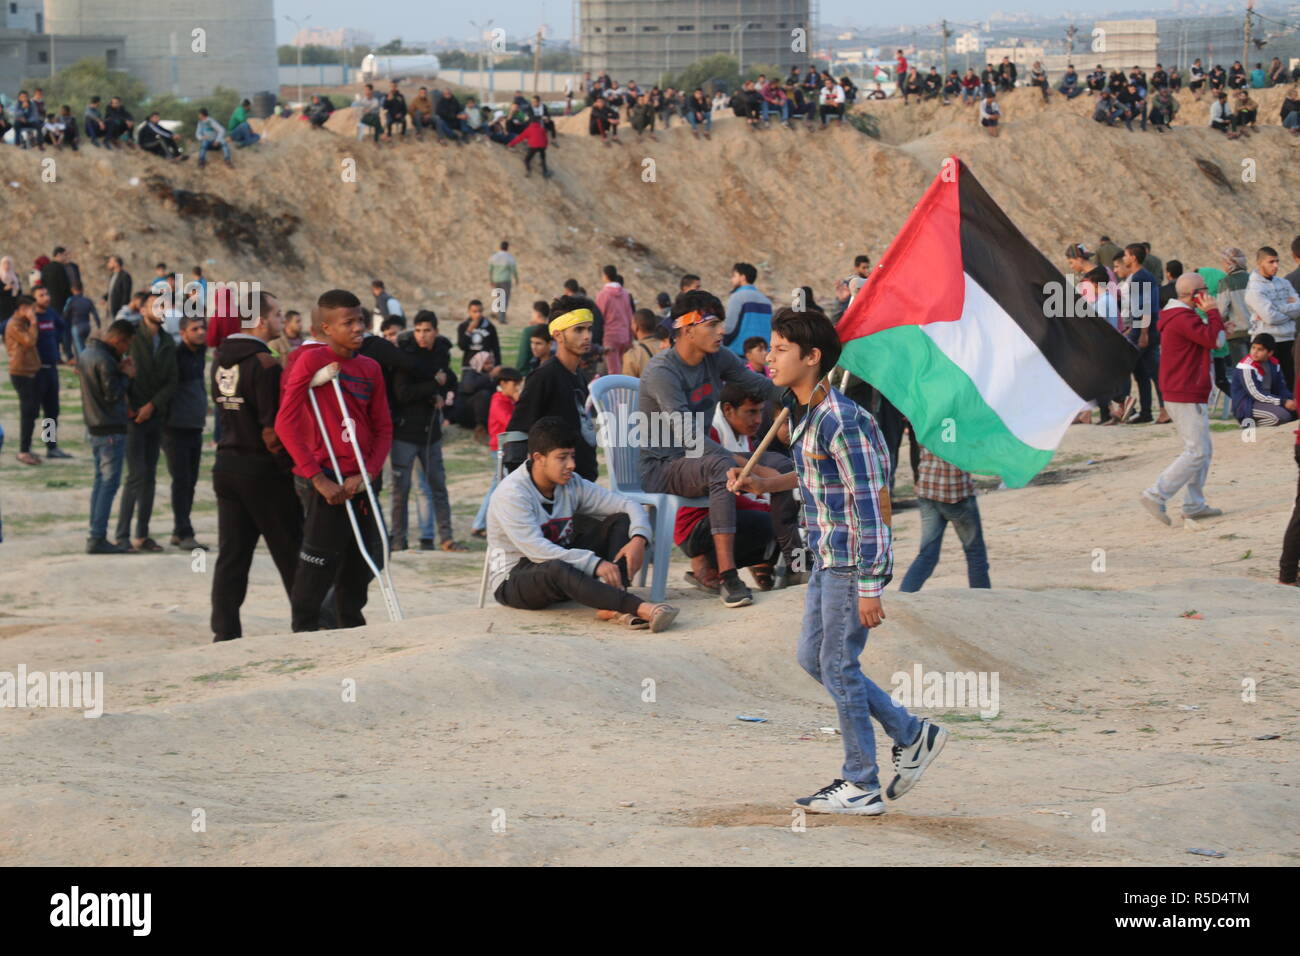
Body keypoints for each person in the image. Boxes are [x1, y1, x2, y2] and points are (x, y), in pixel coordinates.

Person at [728, 310, 946, 814]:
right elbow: (815, 477)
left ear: (813, 357)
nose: (770, 358)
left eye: (782, 350)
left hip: (851, 563)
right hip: (827, 557)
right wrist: (764, 484)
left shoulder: (843, 420)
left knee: (837, 663)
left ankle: (861, 782)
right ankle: (911, 734)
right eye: (772, 348)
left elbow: (871, 505)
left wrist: (871, 584)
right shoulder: (809, 414)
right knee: (814, 658)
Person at [639, 291, 797, 608]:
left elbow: (761, 387)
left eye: (720, 324)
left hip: (699, 459)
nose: (721, 332)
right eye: (712, 325)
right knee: (721, 466)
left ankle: (793, 564)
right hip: (663, 467)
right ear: (686, 329)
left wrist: (801, 388)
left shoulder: (717, 357)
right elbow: (688, 436)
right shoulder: (662, 371)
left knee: (780, 467)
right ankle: (728, 577)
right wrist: (749, 467)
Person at [487, 416, 678, 632]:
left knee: (620, 520)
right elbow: (538, 551)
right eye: (562, 458)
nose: (571, 465)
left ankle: (614, 599)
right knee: (556, 567)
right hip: (514, 579)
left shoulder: (572, 483)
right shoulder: (512, 494)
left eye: (572, 456)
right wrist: (595, 563)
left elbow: (627, 504)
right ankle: (638, 607)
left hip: (559, 564)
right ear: (539, 458)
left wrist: (639, 538)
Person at [275, 290, 392, 632]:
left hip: (361, 476)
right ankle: (305, 630)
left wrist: (369, 473)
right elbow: (285, 421)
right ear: (326, 328)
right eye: (349, 322)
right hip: (328, 477)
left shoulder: (370, 367)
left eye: (361, 320)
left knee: (368, 556)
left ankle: (349, 623)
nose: (359, 328)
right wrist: (317, 478)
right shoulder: (309, 361)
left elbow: (384, 426)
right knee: (318, 563)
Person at [210, 291, 302, 641]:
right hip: (261, 469)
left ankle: (225, 630)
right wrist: (288, 468)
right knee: (290, 549)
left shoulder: (219, 360)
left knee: (232, 555)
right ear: (261, 321)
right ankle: (309, 622)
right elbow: (271, 428)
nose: (282, 320)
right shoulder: (264, 364)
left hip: (226, 464)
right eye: (278, 314)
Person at [673, 384, 785, 592]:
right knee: (769, 523)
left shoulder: (744, 438)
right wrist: (768, 508)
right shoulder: (710, 436)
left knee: (783, 518)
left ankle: (765, 568)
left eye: (760, 411)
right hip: (696, 524)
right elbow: (725, 492)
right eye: (751, 412)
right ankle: (707, 565)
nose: (758, 420)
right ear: (727, 410)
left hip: (731, 516)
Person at [1140, 274, 1228, 525]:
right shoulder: (1181, 318)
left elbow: (1207, 339)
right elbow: (1216, 340)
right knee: (1197, 451)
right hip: (1185, 391)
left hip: (1184, 390)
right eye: (1205, 290)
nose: (1209, 295)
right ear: (1194, 294)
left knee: (1202, 450)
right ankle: (1156, 494)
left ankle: (1193, 504)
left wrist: (1215, 323)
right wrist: (1213, 314)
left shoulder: (1180, 316)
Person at [503, 296, 599, 480]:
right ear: (558, 335)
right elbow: (517, 434)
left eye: (589, 329)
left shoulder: (578, 377)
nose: (587, 336)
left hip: (581, 487)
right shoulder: (544, 377)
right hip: (554, 493)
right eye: (578, 330)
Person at [391, 311, 463, 552]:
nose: (422, 335)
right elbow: (402, 393)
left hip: (431, 432)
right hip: (404, 433)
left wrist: (439, 393)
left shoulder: (441, 352)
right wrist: (434, 385)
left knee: (438, 487)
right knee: (401, 492)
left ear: (436, 331)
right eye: (418, 330)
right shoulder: (404, 354)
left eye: (427, 330)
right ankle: (398, 541)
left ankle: (446, 538)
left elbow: (450, 379)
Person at [115, 291, 177, 551]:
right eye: (155, 305)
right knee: (136, 476)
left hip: (155, 416)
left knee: (150, 475)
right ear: (143, 310)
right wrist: (132, 406)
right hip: (131, 417)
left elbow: (172, 381)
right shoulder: (130, 338)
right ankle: (122, 535)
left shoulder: (167, 342)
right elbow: (117, 372)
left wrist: (152, 406)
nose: (161, 309)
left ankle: (142, 534)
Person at [79, 319, 137, 553]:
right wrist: (127, 375)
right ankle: (97, 536)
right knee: (108, 483)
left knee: (99, 482)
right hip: (109, 428)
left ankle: (95, 532)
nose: (126, 350)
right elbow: (113, 394)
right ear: (118, 339)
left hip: (94, 426)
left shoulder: (87, 353)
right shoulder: (104, 360)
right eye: (127, 345)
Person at [899, 445, 990, 592]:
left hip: (927, 489)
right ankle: (984, 599)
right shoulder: (962, 423)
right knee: (975, 553)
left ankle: (904, 594)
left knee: (927, 555)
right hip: (956, 493)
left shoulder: (927, 421)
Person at [164, 315, 208, 550]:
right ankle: (184, 531)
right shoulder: (175, 356)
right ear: (183, 333)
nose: (201, 332)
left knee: (190, 482)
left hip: (194, 426)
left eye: (203, 328)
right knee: (181, 481)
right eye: (195, 329)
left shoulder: (199, 354)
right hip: (174, 428)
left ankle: (179, 529)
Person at [470, 366, 524, 538]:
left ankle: (483, 523)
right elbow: (511, 422)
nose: (516, 388)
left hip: (508, 449)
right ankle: (480, 524)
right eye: (514, 385)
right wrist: (519, 401)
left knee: (499, 486)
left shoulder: (509, 400)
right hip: (500, 450)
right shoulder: (498, 401)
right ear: (503, 383)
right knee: (497, 488)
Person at [1245, 246, 1300, 392]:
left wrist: (1278, 306)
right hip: (1267, 341)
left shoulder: (1284, 283)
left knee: (1291, 382)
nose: (1275, 265)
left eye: (1277, 261)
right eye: (1271, 262)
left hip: (1288, 339)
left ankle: (1291, 413)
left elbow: (1299, 307)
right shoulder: (1254, 289)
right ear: (1259, 263)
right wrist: (1289, 308)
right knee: (1271, 384)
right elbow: (1270, 317)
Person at [1119, 243, 1163, 424]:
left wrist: (1142, 333)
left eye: (1126, 255)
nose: (1124, 259)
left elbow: (1144, 306)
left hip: (1143, 330)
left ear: (1133, 258)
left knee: (1130, 369)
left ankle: (1163, 409)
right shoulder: (1141, 276)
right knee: (1142, 373)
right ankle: (1146, 412)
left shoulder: (1139, 278)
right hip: (1140, 328)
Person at [4, 295, 43, 465]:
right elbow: (29, 341)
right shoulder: (15, 324)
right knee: (27, 412)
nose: (34, 312)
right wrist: (34, 323)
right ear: (22, 309)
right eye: (31, 309)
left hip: (34, 371)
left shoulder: (26, 323)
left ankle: (48, 444)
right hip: (21, 372)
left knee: (41, 410)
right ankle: (24, 450)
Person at [1230, 333, 1296, 426]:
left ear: (1270, 353)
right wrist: (1283, 402)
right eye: (1253, 348)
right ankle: (1250, 424)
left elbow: (1281, 388)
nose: (1255, 352)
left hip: (1269, 401)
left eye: (1260, 349)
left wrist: (1293, 399)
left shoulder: (1274, 364)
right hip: (1248, 404)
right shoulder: (1246, 366)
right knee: (1282, 416)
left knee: (1295, 412)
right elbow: (1256, 394)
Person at [595, 265, 633, 374]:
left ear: (605, 276)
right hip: (624, 335)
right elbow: (630, 317)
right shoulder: (625, 294)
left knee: (613, 371)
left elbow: (599, 319)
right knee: (622, 368)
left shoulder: (603, 295)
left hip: (610, 336)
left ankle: (616, 391)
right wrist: (630, 338)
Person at [456, 299, 501, 369]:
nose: (478, 314)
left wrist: (498, 365)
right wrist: (469, 331)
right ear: (469, 312)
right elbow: (462, 346)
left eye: (480, 311)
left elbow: (496, 348)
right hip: (468, 366)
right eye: (475, 312)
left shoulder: (490, 327)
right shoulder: (463, 326)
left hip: (485, 366)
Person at [622, 309, 663, 379]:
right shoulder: (667, 346)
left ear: (636, 326)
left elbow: (627, 386)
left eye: (632, 323)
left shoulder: (632, 355)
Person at [487, 241, 518, 326]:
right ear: (507, 248)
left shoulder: (494, 257)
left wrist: (491, 280)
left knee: (498, 297)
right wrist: (516, 279)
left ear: (500, 247)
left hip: (496, 280)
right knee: (504, 299)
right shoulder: (509, 258)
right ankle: (501, 318)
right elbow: (513, 270)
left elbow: (490, 269)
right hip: (505, 280)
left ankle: (496, 314)